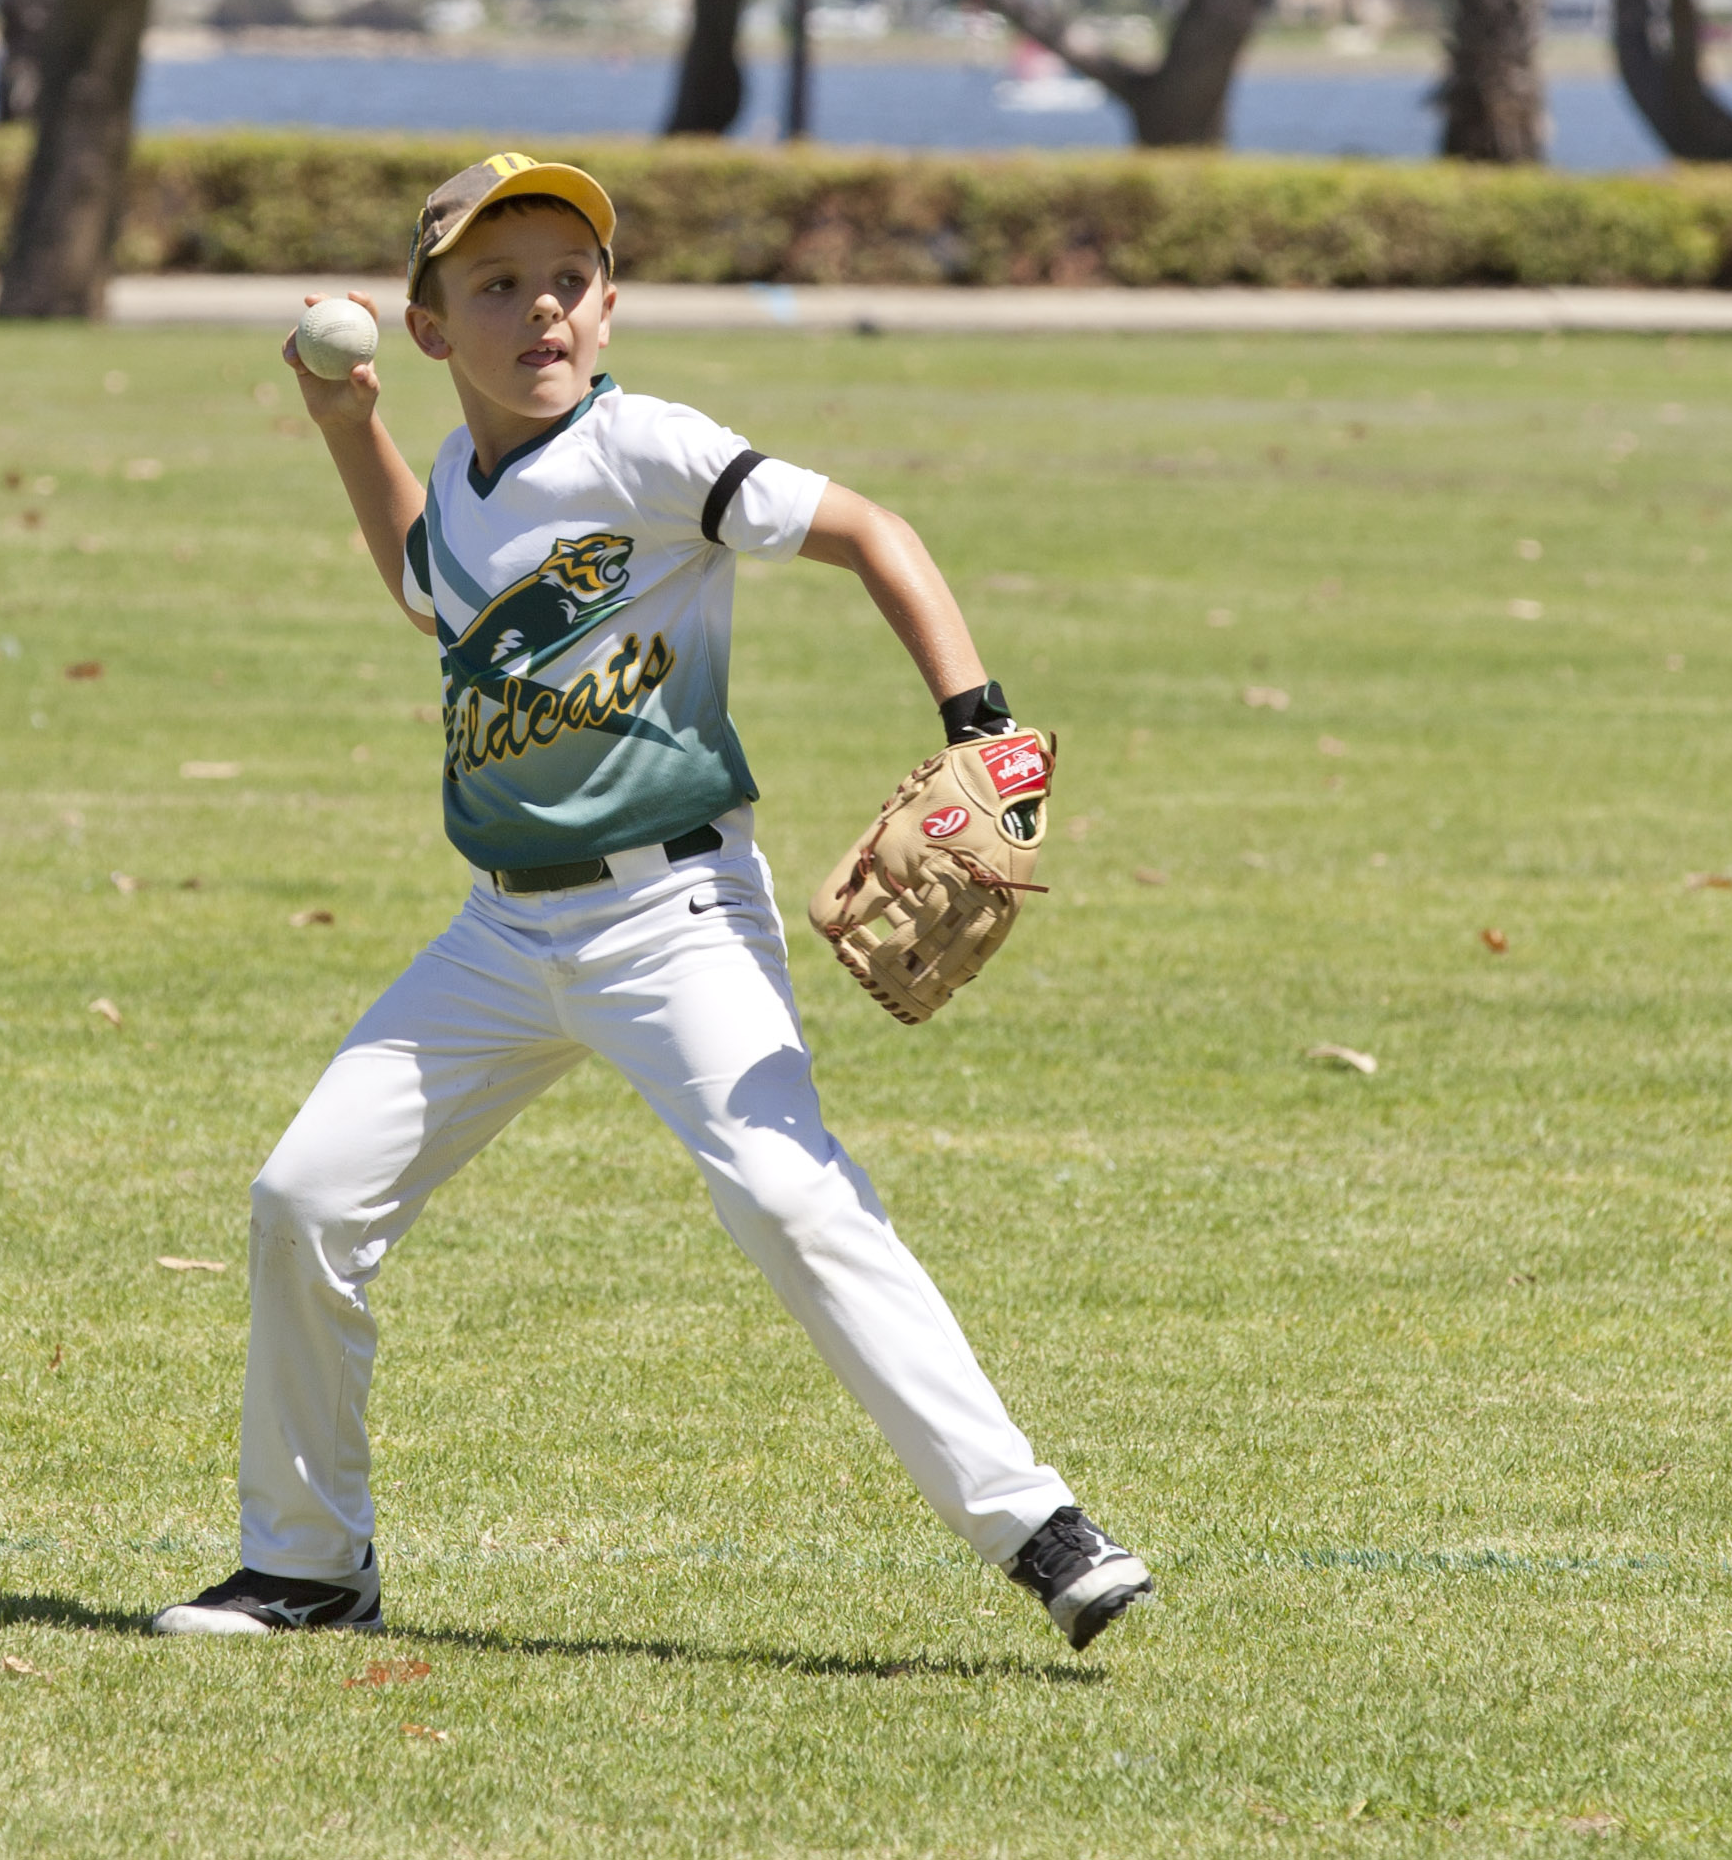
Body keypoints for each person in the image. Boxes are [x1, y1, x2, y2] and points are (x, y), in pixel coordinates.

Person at [150, 153, 1151, 1650]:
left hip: (672, 919)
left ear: (610, 309)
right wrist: (343, 426)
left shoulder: (650, 450)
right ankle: (305, 1566)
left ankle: (1038, 1527)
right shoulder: (478, 493)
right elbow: (431, 590)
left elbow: (873, 532)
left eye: (568, 278)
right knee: (302, 1200)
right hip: (500, 933)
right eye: (495, 284)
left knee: (787, 1194)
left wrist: (984, 733)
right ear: (429, 330)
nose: (539, 305)